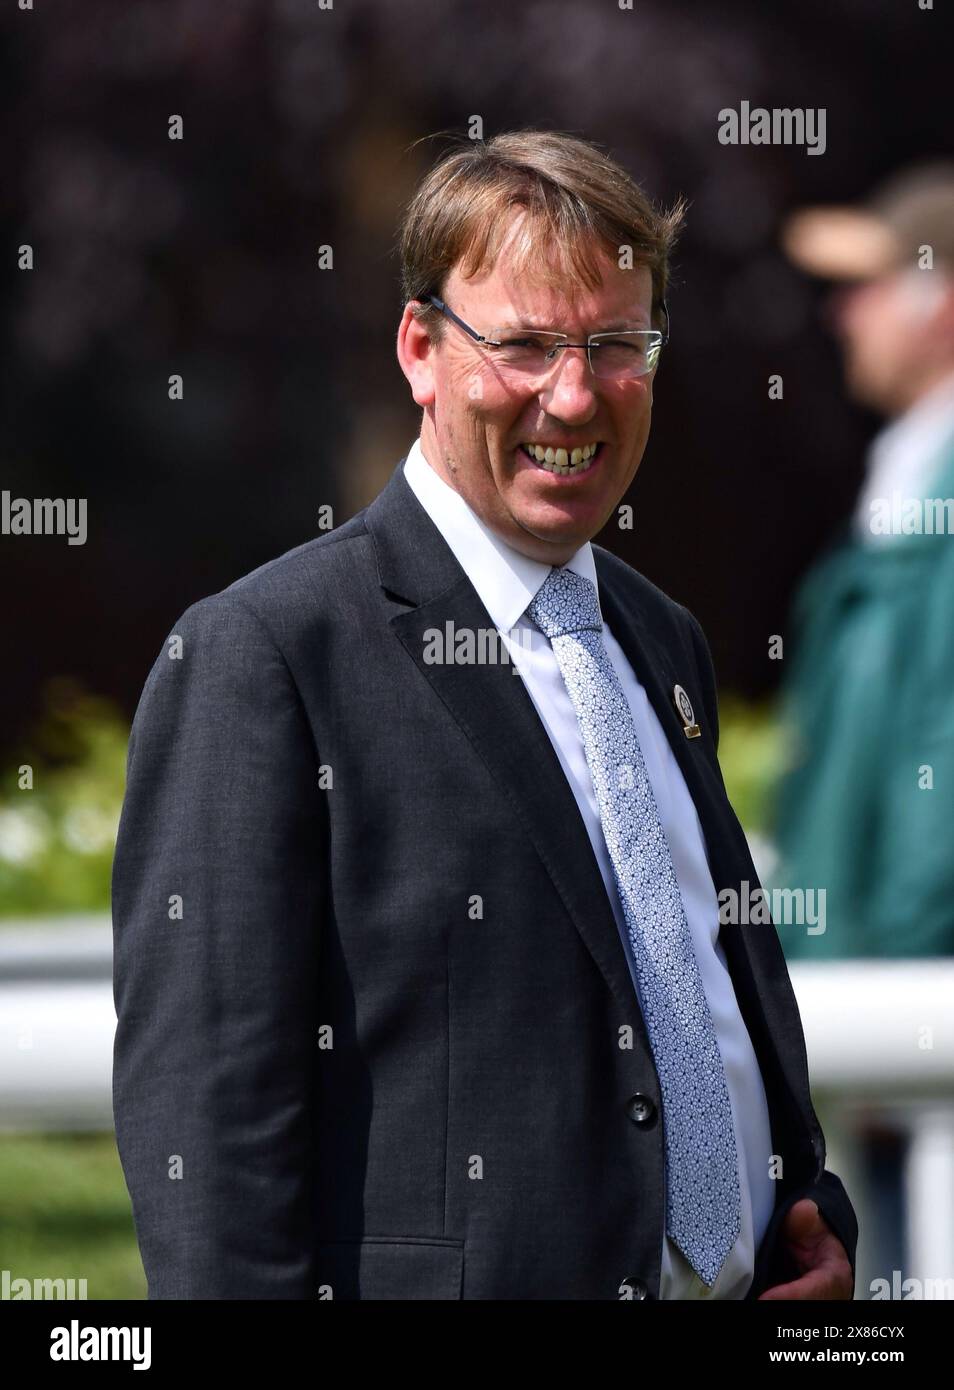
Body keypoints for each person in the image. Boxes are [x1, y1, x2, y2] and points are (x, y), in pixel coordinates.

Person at [111, 130, 857, 1300]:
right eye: (524, 345)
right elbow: (212, 1133)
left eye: (617, 344)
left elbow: (716, 995)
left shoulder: (661, 638)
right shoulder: (268, 655)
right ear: (422, 348)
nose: (575, 392)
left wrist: (811, 1217)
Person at [775, 162, 954, 960]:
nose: (842, 313)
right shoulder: (910, 480)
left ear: (939, 300)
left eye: (869, 286)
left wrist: (891, 998)